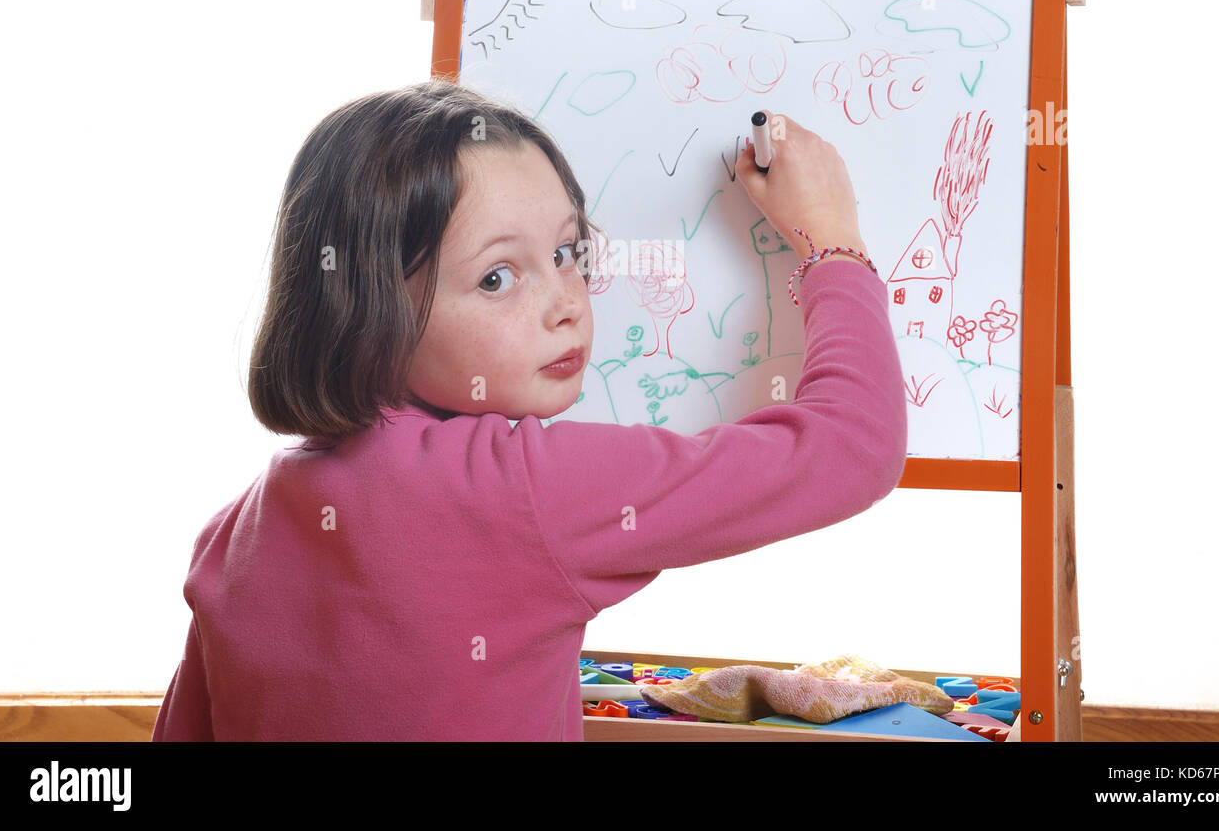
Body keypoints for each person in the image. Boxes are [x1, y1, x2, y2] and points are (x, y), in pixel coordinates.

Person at [151, 77, 907, 741]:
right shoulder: (520, 487)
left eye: (568, 252)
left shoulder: (233, 536)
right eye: (495, 278)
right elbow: (853, 449)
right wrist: (832, 240)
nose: (564, 305)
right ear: (368, 305)